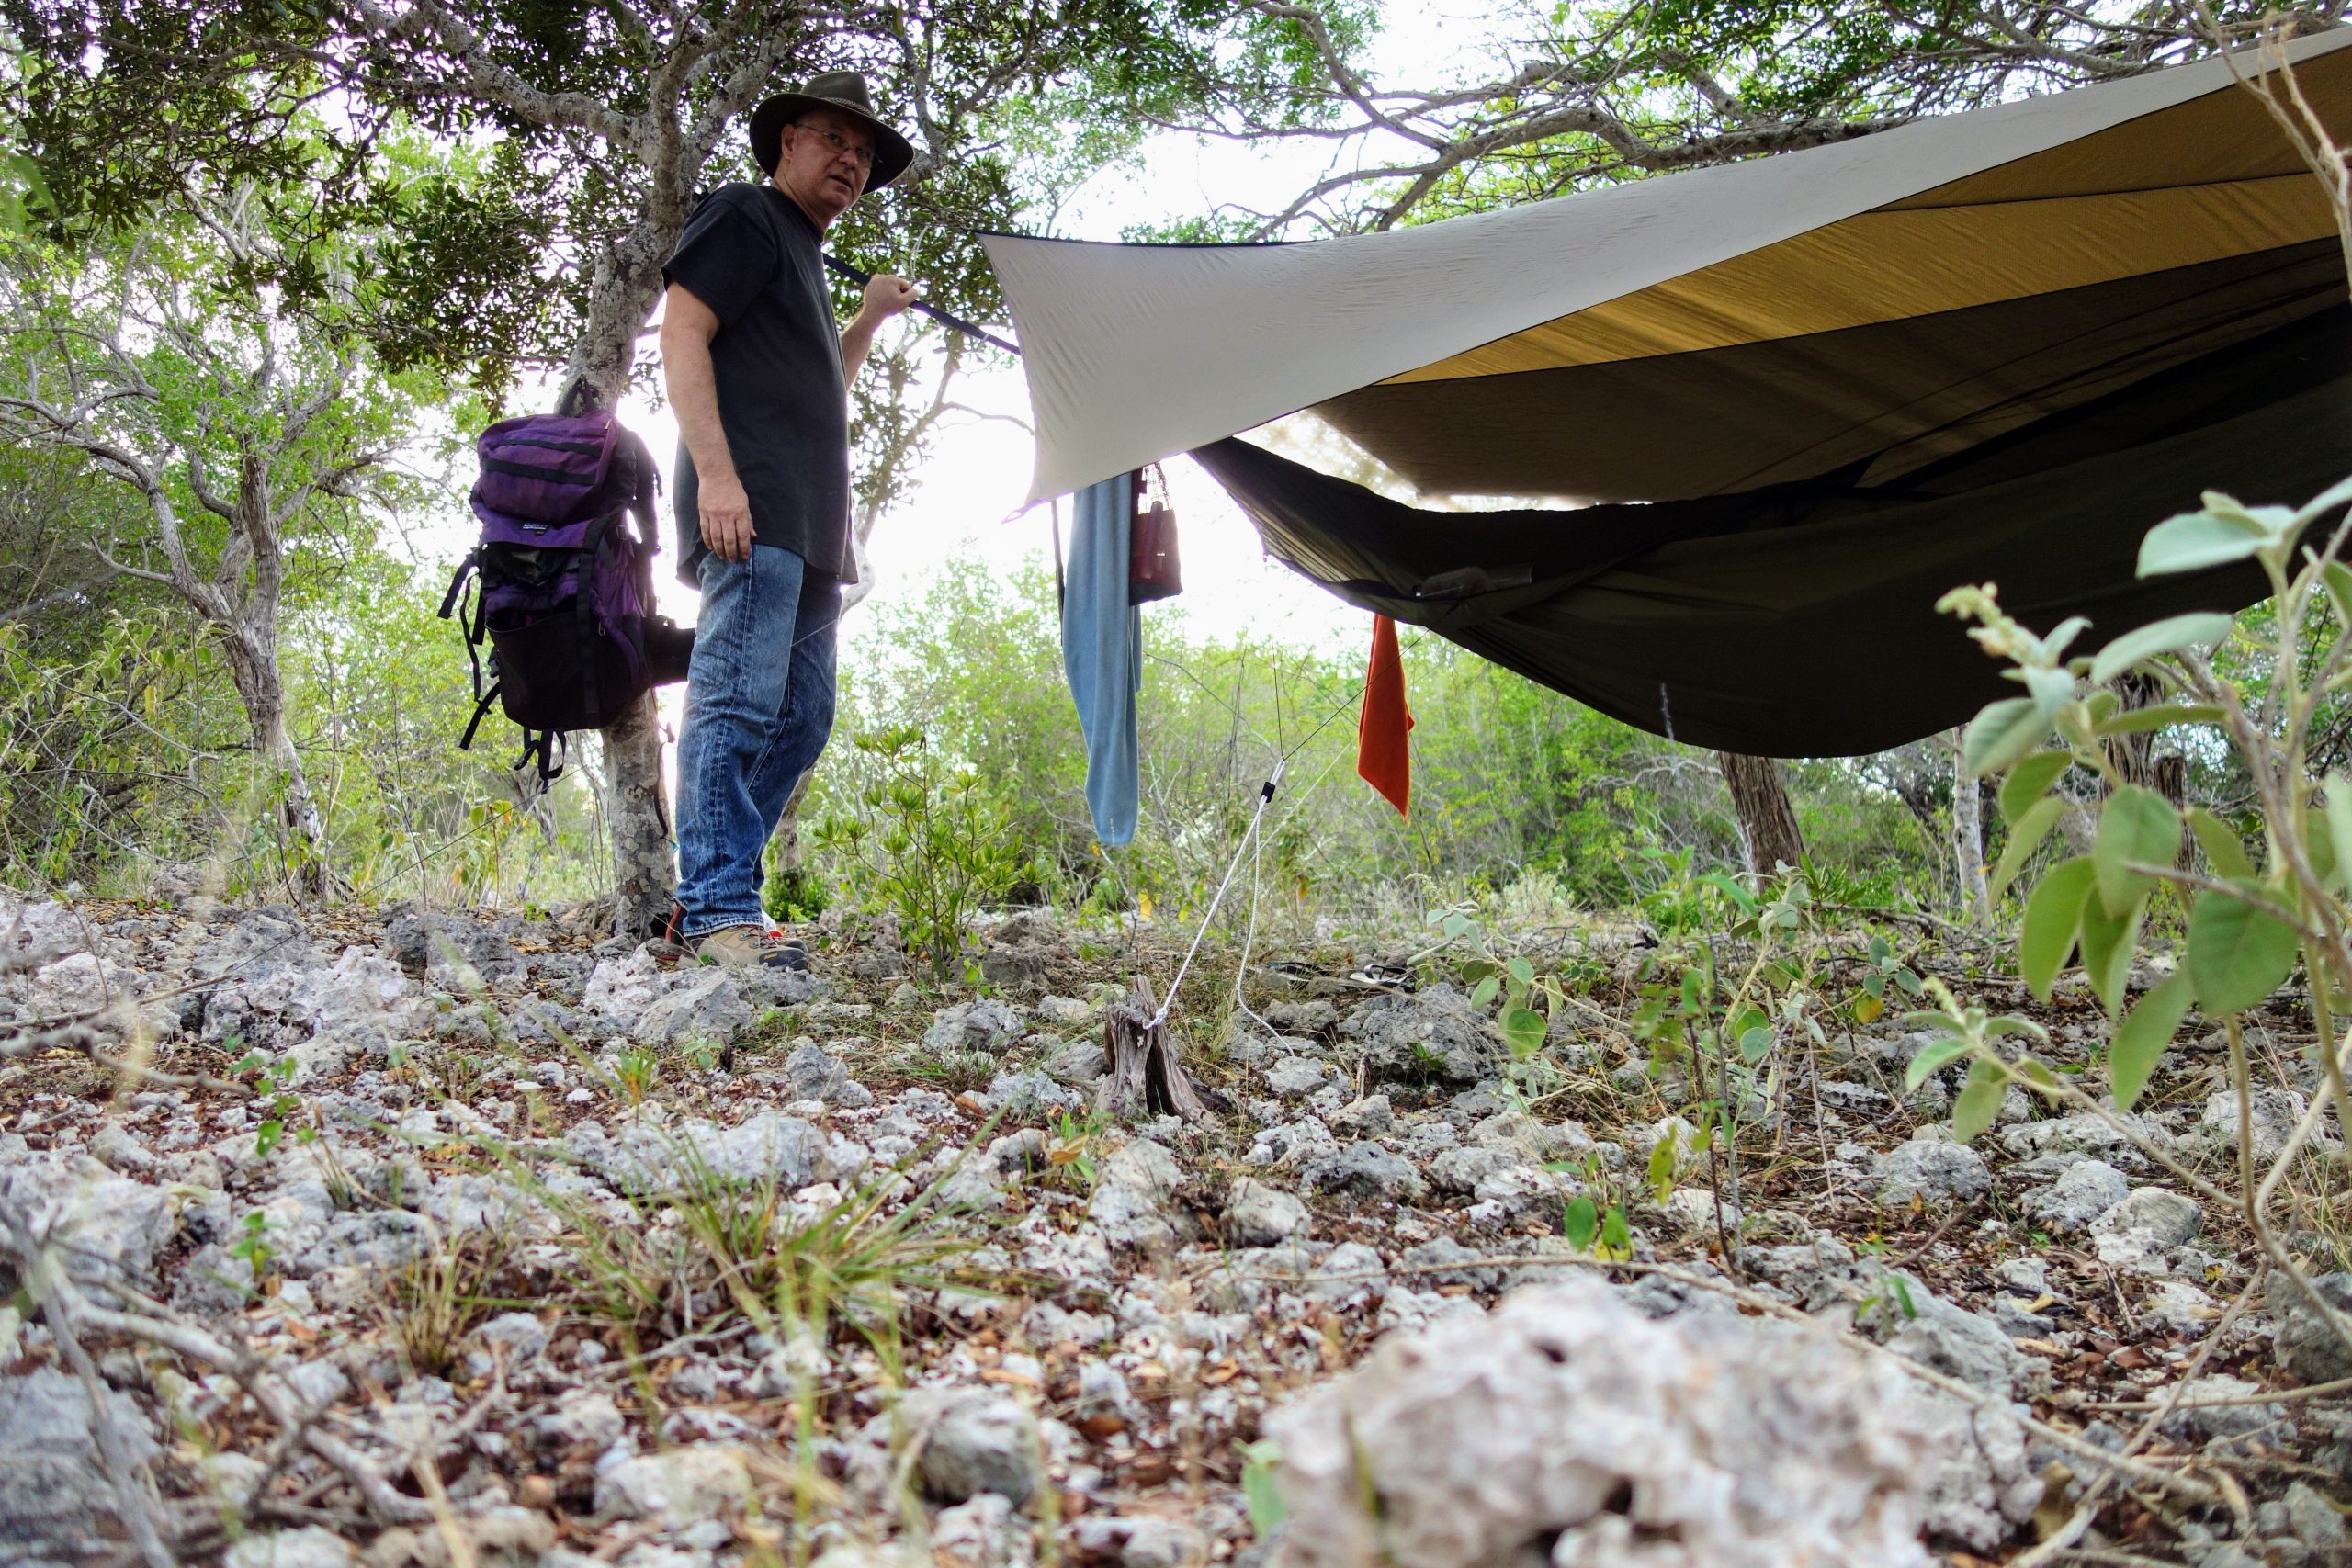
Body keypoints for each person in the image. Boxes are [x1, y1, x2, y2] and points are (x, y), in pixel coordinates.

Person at [660, 72, 918, 968]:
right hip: (752, 510)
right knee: (733, 701)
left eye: (865, 152)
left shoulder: (804, 254)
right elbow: (681, 329)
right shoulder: (744, 215)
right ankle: (717, 909)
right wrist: (717, 479)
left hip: (812, 531)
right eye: (835, 140)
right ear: (788, 143)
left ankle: (713, 890)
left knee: (802, 717)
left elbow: (818, 387)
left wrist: (869, 319)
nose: (851, 160)